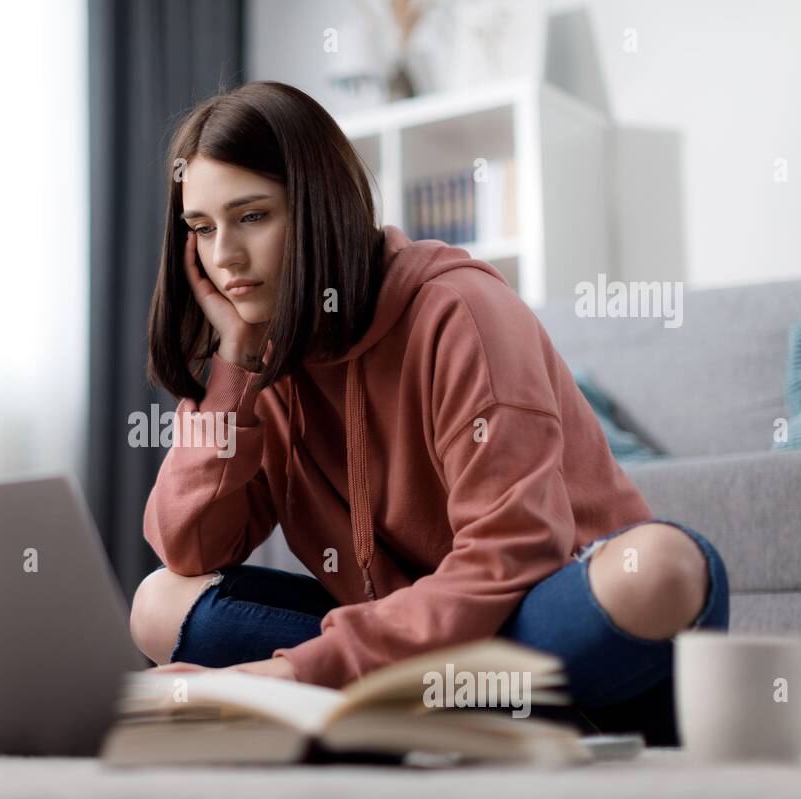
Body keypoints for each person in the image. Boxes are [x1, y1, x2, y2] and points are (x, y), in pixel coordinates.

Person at [129, 81, 728, 746]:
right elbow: (189, 545)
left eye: (252, 217)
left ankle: (391, 704)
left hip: (546, 607)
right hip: (420, 637)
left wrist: (295, 675)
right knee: (160, 602)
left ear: (321, 207)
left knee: (663, 568)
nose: (225, 258)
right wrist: (233, 371)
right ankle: (447, 707)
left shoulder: (461, 312)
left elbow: (513, 555)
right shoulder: (262, 349)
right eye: (202, 229)